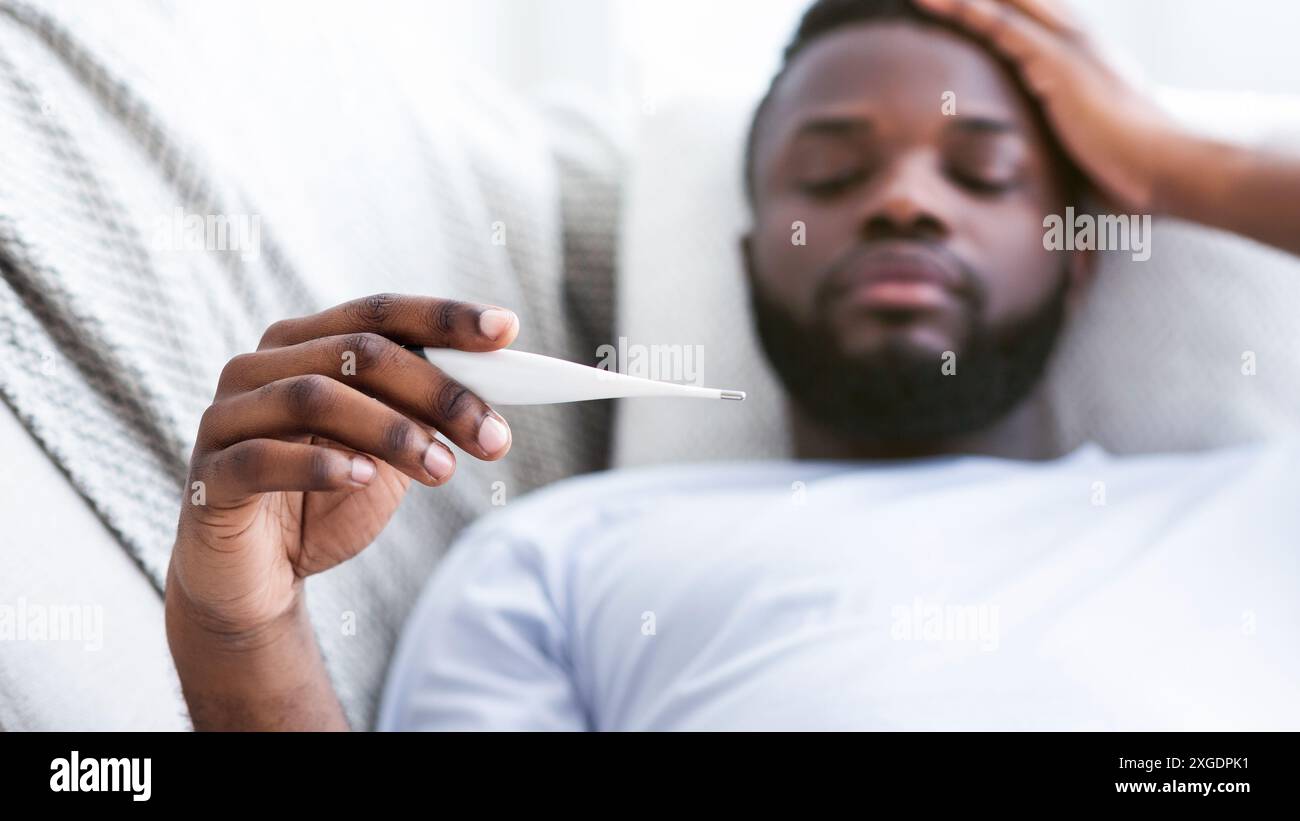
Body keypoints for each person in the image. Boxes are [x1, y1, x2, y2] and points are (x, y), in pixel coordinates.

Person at [165, 0, 1300, 730]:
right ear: (753, 256)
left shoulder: (1263, 510)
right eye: (830, 174)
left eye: (985, 173)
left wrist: (1183, 166)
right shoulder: (567, 561)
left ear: (1080, 262)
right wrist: (238, 636)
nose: (905, 199)